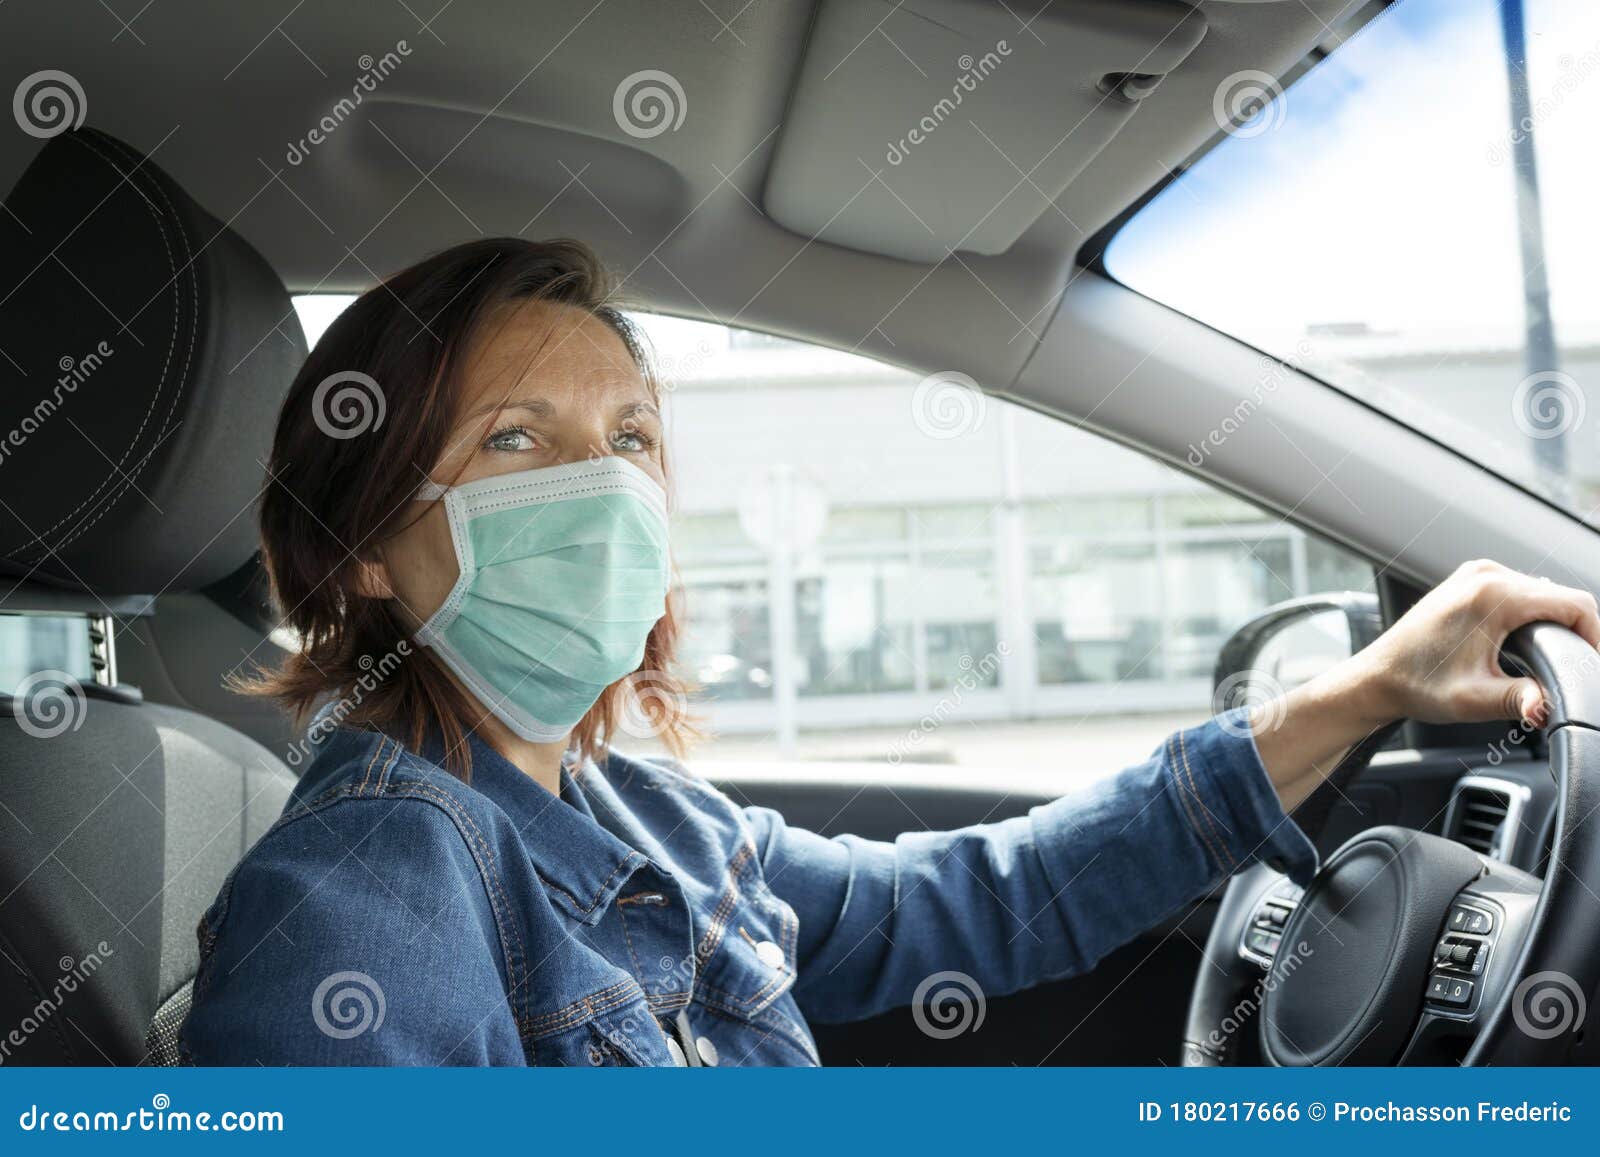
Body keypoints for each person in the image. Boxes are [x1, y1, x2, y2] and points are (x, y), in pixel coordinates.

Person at [179, 237, 1600, 1066]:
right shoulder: (366, 889)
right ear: (364, 547)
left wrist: (1367, 690)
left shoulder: (623, 807)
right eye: (514, 440)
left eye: (629, 441)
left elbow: (978, 900)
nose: (605, 490)